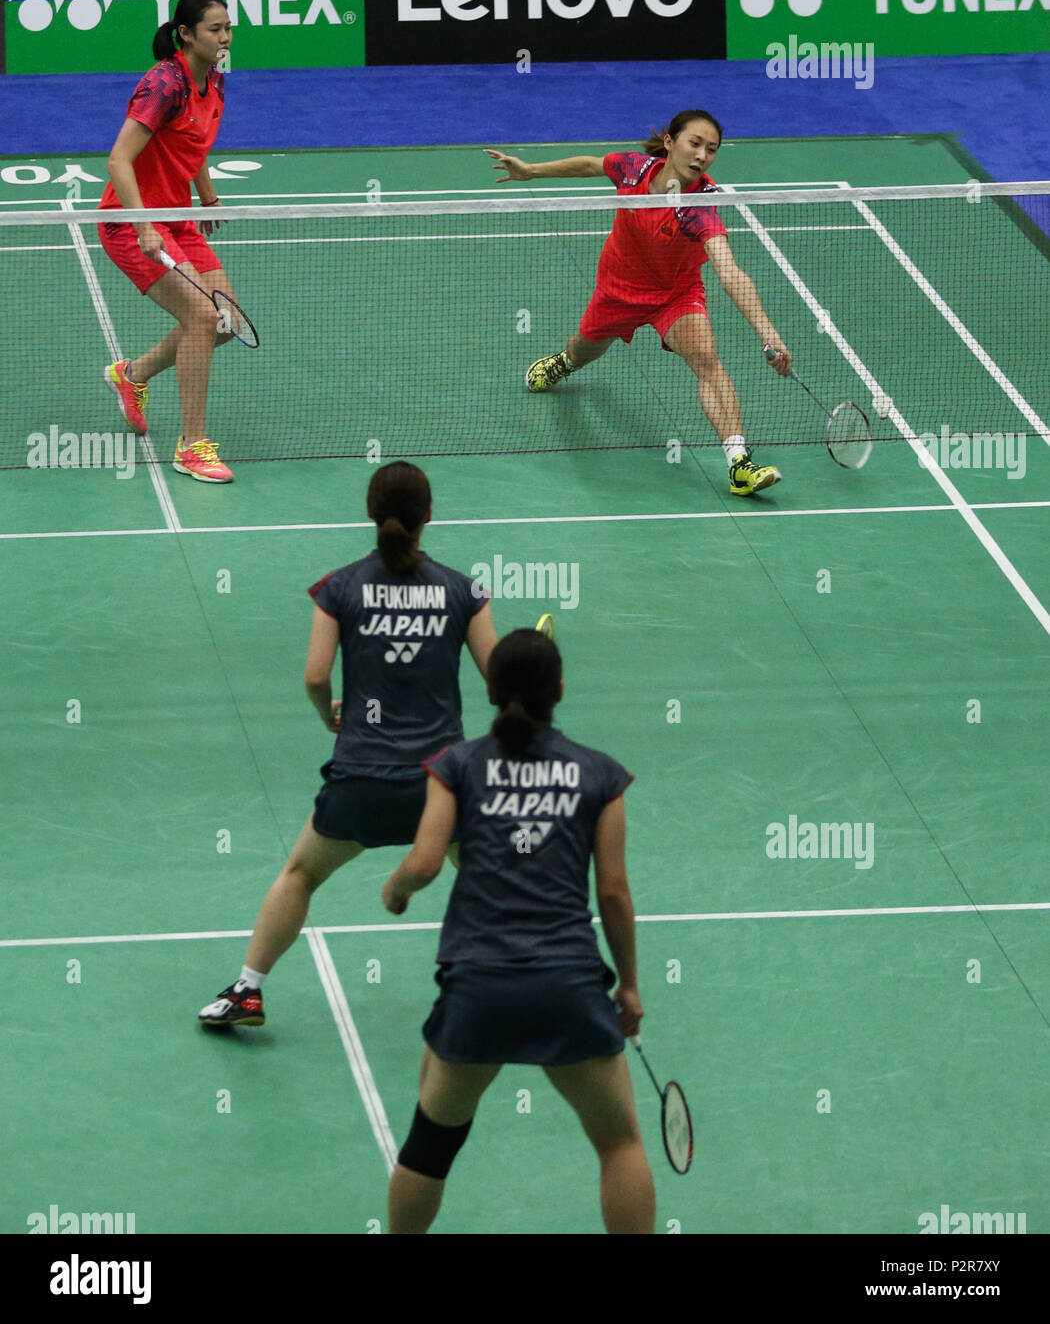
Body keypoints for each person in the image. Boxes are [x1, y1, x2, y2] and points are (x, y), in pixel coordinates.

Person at [198, 461, 498, 1026]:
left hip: (361, 780)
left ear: (370, 514)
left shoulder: (339, 588)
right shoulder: (466, 591)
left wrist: (329, 714)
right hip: (441, 789)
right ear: (428, 517)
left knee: (301, 875)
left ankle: (247, 990)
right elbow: (499, 683)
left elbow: (315, 677)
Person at [381, 627, 654, 1234]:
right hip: (568, 986)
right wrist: (629, 986)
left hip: (480, 986)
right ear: (559, 689)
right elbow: (612, 890)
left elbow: (425, 863)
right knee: (619, 1144)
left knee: (430, 1146)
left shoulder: (455, 765)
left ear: (488, 690)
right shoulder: (601, 776)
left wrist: (395, 889)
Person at [487, 109, 794, 496]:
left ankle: (739, 464)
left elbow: (730, 272)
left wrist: (768, 332)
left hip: (675, 295)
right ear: (670, 143)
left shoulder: (700, 206)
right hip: (618, 290)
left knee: (706, 360)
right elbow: (590, 165)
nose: (701, 156)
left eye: (711, 150)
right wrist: (531, 171)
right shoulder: (634, 169)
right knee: (581, 351)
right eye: (694, 144)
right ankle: (564, 363)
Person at [99, 0, 239, 484]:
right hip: (130, 220)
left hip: (176, 216)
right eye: (214, 30)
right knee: (203, 315)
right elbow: (119, 160)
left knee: (225, 321)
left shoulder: (215, 84)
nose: (224, 38)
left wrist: (208, 198)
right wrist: (143, 227)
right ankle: (192, 446)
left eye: (227, 28)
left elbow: (193, 144)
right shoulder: (164, 83)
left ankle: (131, 375)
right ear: (185, 34)